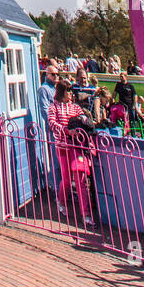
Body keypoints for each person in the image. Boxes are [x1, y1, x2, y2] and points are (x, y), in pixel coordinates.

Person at [47, 81, 95, 225]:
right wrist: (67, 131)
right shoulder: (53, 107)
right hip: (62, 147)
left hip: (76, 147)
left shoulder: (75, 107)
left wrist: (85, 122)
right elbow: (52, 124)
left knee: (80, 180)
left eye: (71, 91)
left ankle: (86, 214)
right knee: (67, 179)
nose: (70, 93)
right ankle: (61, 202)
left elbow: (83, 120)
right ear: (61, 92)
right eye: (67, 91)